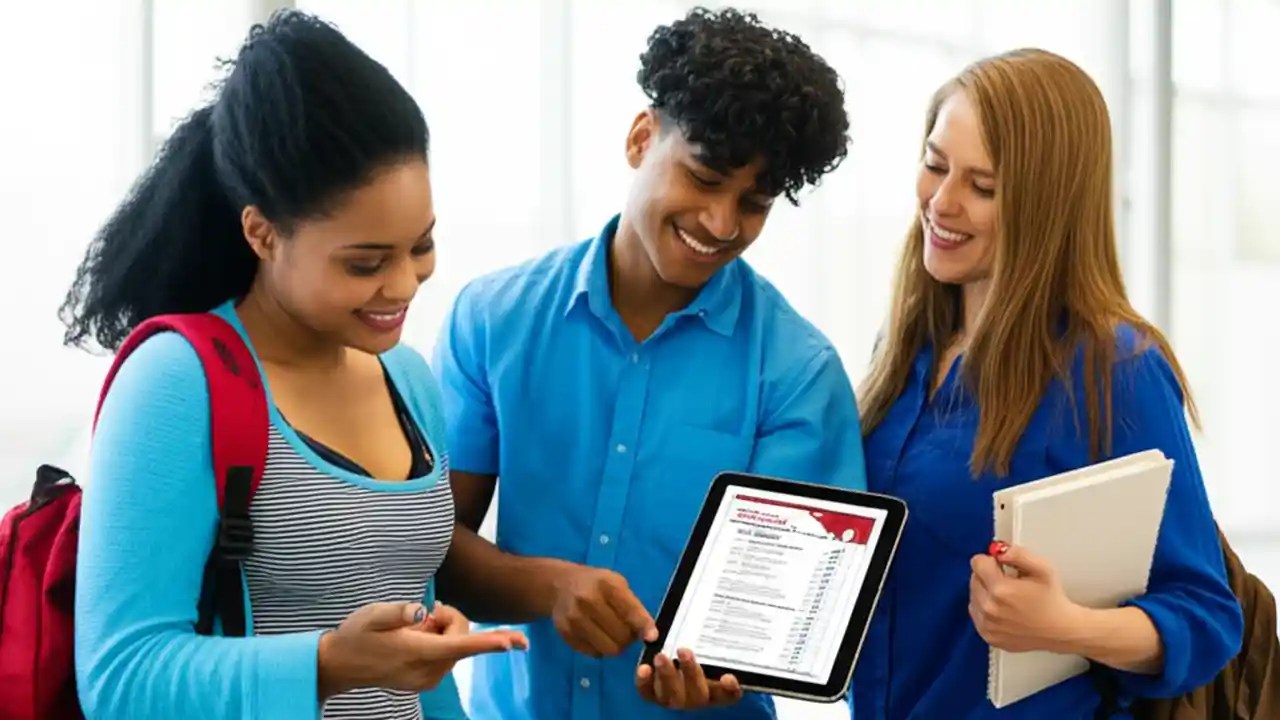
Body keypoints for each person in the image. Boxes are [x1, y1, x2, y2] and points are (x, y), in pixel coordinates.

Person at [63, 10, 526, 720]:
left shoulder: (409, 381)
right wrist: (329, 665)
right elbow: (123, 677)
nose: (403, 286)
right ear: (263, 233)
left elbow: (412, 664)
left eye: (421, 247)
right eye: (365, 262)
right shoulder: (175, 383)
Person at [430, 7, 863, 720]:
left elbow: (792, 628)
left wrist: (730, 674)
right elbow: (435, 546)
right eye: (704, 178)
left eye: (752, 204)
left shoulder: (797, 373)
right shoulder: (494, 320)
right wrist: (547, 587)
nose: (722, 224)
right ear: (640, 139)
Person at [849, 48, 1244, 718]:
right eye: (935, 163)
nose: (940, 203)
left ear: (1046, 206)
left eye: (983, 187)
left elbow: (1205, 617)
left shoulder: (1113, 367)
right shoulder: (906, 347)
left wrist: (1066, 625)